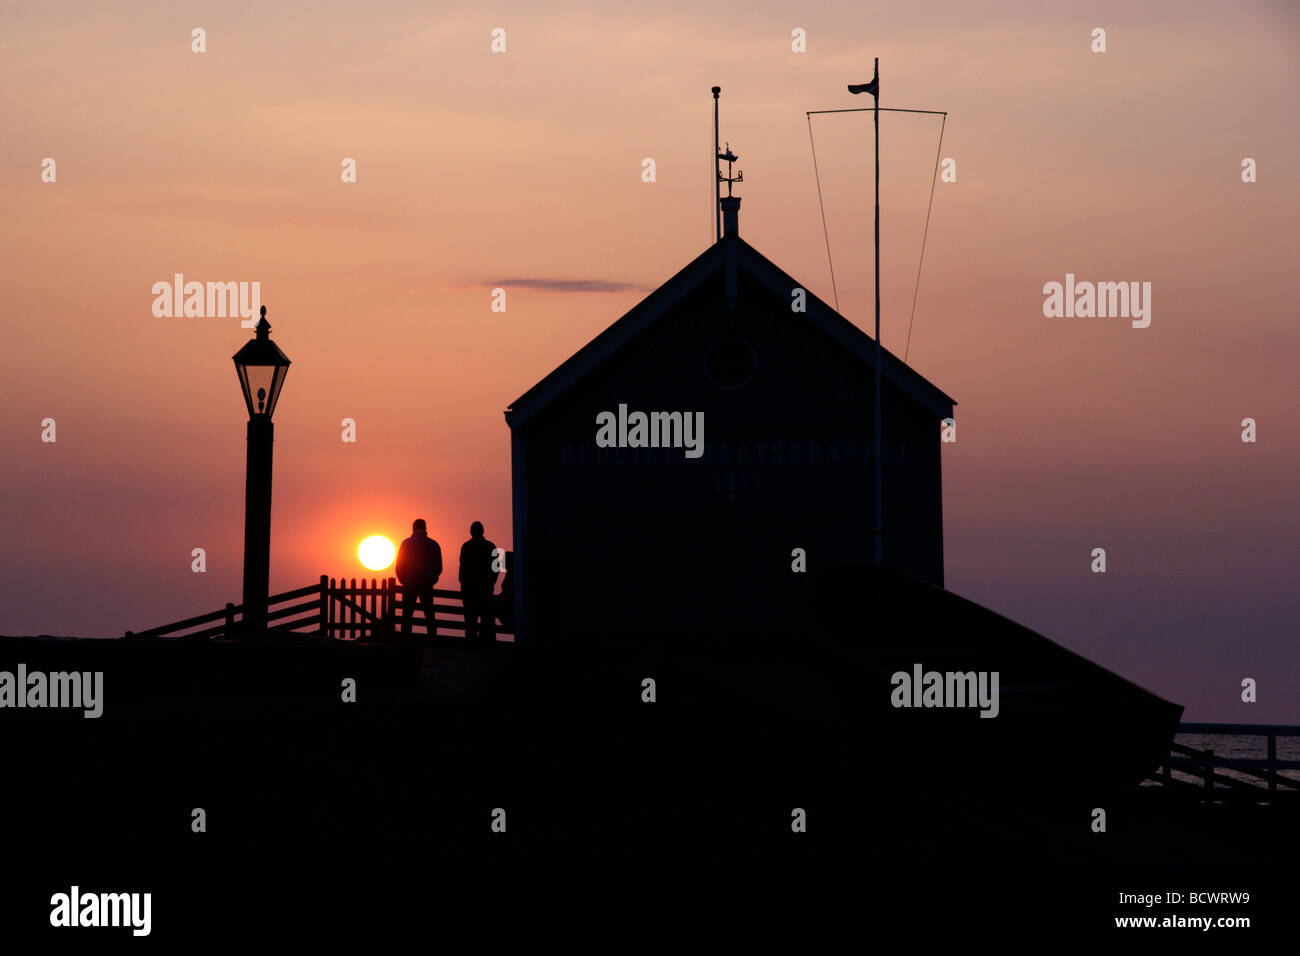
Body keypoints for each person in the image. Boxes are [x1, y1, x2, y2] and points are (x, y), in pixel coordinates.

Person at [396, 519, 442, 636]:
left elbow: (399, 566)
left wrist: (404, 581)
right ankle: (432, 639)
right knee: (429, 614)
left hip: (409, 584)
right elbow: (438, 567)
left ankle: (405, 640)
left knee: (407, 615)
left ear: (413, 528)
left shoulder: (406, 543)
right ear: (425, 528)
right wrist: (431, 580)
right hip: (426, 584)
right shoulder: (433, 544)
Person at [458, 521, 498, 643]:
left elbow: (462, 568)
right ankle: (485, 646)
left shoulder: (466, 547)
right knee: (486, 621)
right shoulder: (491, 546)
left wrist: (463, 584)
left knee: (470, 621)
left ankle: (471, 644)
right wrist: (490, 584)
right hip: (485, 590)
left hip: (469, 590)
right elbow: (496, 569)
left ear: (471, 532)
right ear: (482, 531)